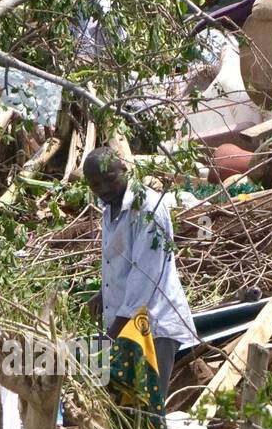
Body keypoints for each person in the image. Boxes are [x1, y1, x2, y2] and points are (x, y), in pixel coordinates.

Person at [83, 146, 197, 395]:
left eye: (109, 180)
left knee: (148, 413)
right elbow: (122, 261)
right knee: (127, 410)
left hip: (153, 326)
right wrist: (103, 294)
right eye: (96, 184)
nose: (103, 189)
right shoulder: (109, 208)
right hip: (128, 324)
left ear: (124, 169)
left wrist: (111, 336)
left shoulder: (147, 208)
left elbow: (145, 274)